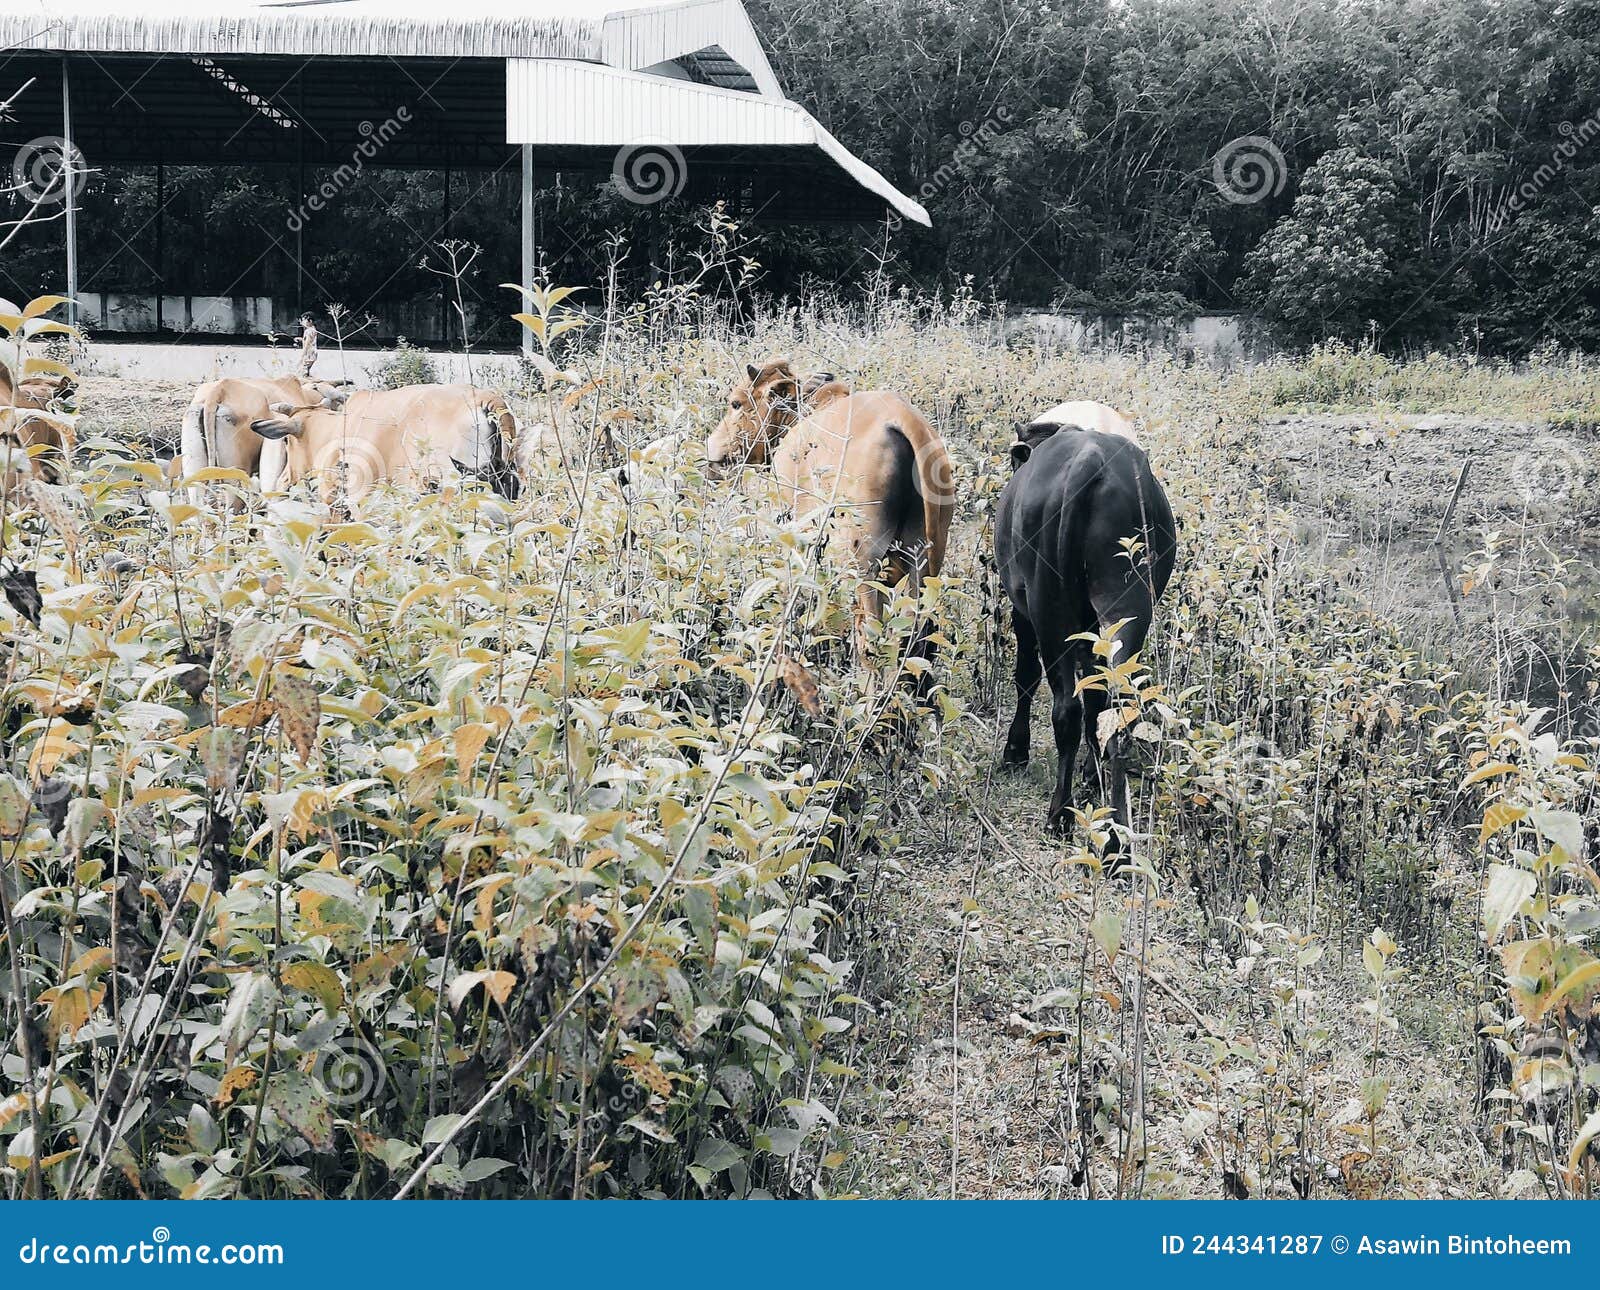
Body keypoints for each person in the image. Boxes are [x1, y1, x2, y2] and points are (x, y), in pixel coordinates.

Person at [296, 313, 319, 379]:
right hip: (313, 353)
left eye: (304, 320)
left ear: (310, 321)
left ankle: (311, 383)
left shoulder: (309, 331)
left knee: (303, 371)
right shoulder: (313, 329)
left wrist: (302, 356)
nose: (302, 322)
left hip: (309, 354)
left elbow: (307, 344)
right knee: (306, 371)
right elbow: (309, 340)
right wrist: (300, 339)